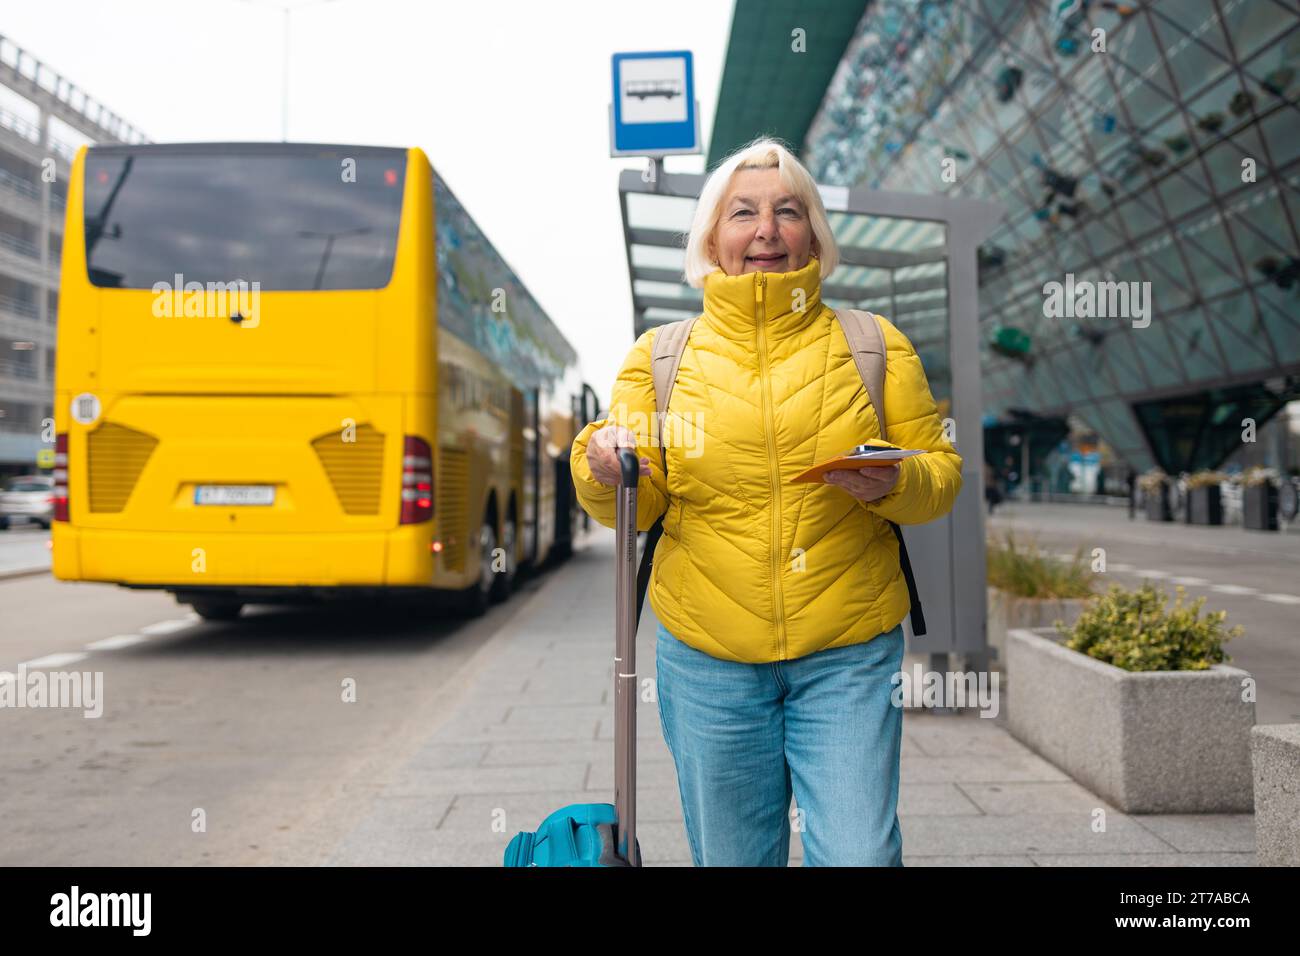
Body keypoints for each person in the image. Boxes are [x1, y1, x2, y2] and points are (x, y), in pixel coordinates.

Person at [569, 137, 962, 866]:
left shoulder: (874, 344)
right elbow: (634, 501)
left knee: (859, 856)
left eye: (788, 211)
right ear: (712, 237)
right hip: (709, 659)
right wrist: (602, 465)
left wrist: (899, 483)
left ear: (813, 232)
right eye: (743, 212)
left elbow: (941, 475)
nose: (766, 230)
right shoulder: (661, 357)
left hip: (845, 653)